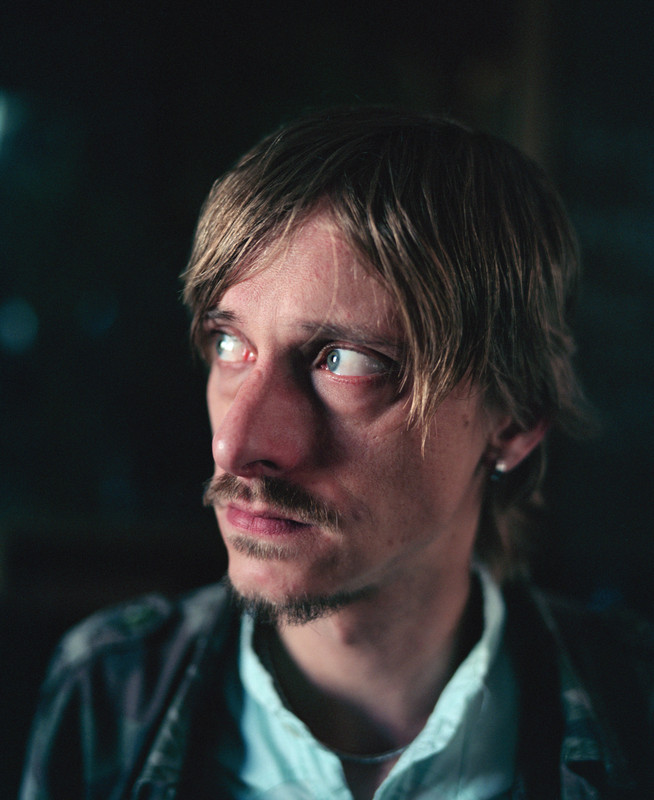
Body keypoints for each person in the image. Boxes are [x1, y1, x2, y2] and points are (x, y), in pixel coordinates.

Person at [20, 108, 654, 799]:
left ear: (515, 421)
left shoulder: (635, 707)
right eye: (230, 345)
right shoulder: (107, 693)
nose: (236, 444)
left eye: (344, 360)